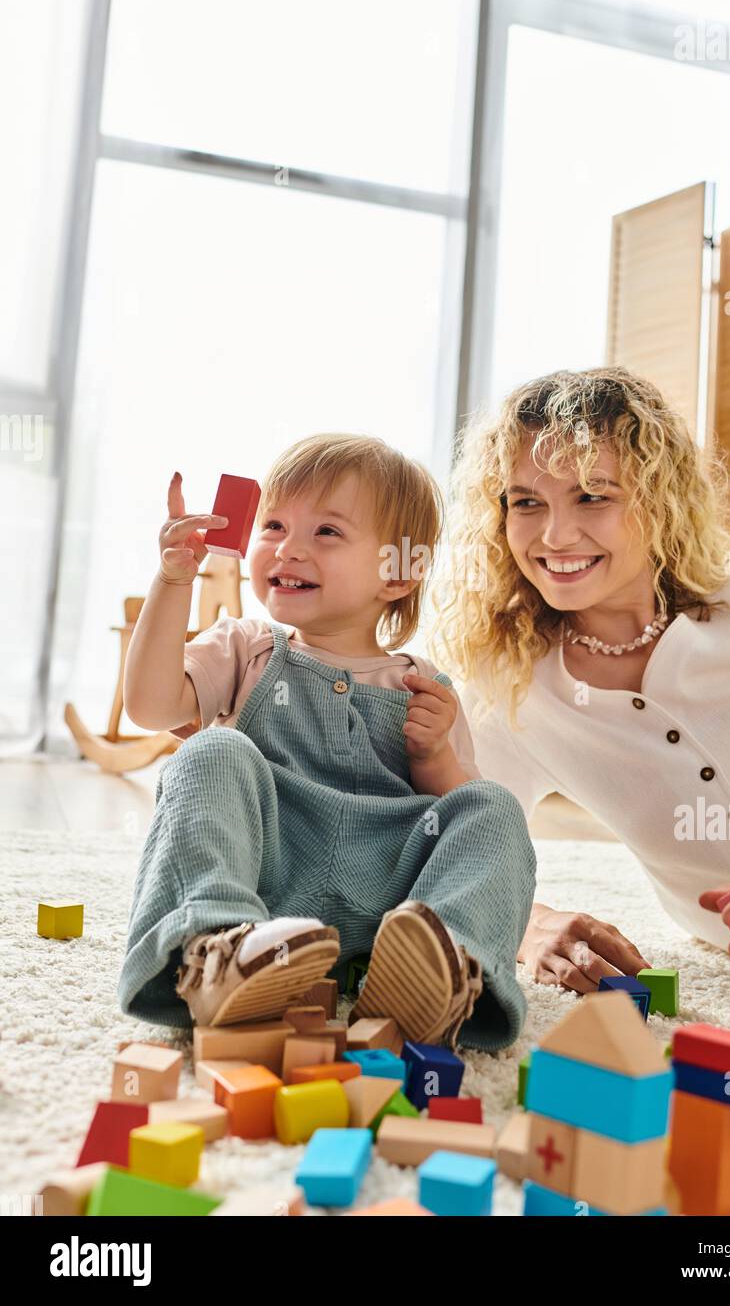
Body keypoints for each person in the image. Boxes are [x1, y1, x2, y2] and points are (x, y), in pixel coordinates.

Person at [434, 367, 730, 993]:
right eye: (526, 501)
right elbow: (452, 854)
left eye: (592, 495)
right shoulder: (514, 687)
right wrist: (531, 929)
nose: (554, 535)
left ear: (657, 499)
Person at [117, 434, 535, 1051]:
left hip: (394, 908)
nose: (288, 548)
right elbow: (150, 705)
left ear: (399, 573)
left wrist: (435, 757)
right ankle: (212, 950)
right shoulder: (247, 647)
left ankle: (441, 969)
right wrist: (173, 579)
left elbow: (463, 815)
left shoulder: (423, 686)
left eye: (327, 533)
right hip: (264, 884)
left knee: (495, 806)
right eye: (275, 525)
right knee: (210, 752)